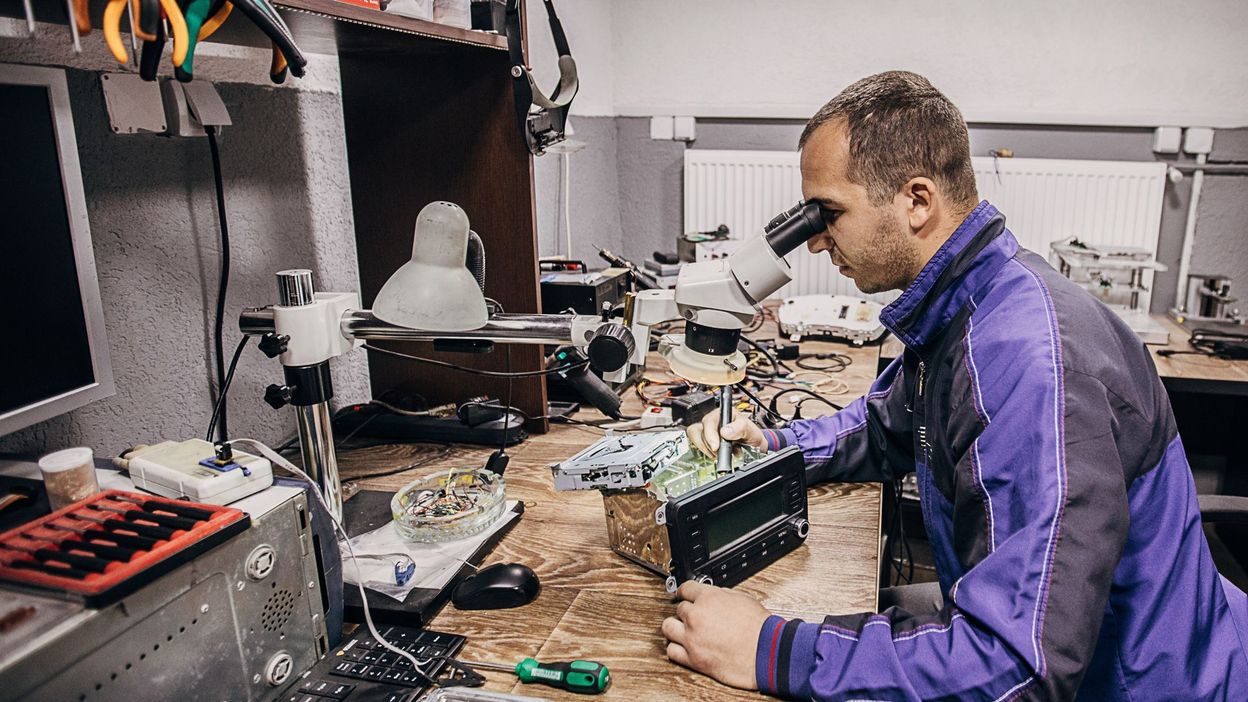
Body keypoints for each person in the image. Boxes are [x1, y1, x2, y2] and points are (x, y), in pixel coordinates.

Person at [664, 71, 1248, 700]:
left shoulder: (1026, 363)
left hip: (1140, 682)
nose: (816, 243)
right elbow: (885, 427)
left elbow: (1017, 668)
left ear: (917, 200)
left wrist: (773, 649)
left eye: (829, 214)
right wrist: (774, 446)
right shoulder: (971, 305)